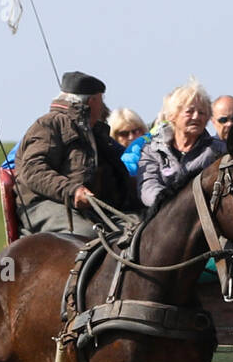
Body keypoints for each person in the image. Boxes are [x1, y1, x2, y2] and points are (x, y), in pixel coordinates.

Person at [14, 71, 140, 237]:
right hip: (45, 203)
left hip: (91, 208)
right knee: (88, 235)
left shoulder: (94, 133)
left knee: (142, 232)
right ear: (92, 101)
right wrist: (73, 191)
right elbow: (33, 169)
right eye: (101, 99)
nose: (103, 106)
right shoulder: (49, 124)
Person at [136, 79, 226, 207]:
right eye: (189, 111)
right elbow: (147, 186)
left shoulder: (219, 151)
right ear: (173, 116)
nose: (196, 117)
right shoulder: (152, 150)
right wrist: (171, 203)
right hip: (163, 215)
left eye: (202, 113)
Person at [108, 108, 150, 176]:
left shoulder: (155, 154)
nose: (131, 137)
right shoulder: (109, 163)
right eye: (124, 134)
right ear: (114, 136)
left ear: (143, 130)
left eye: (136, 131)